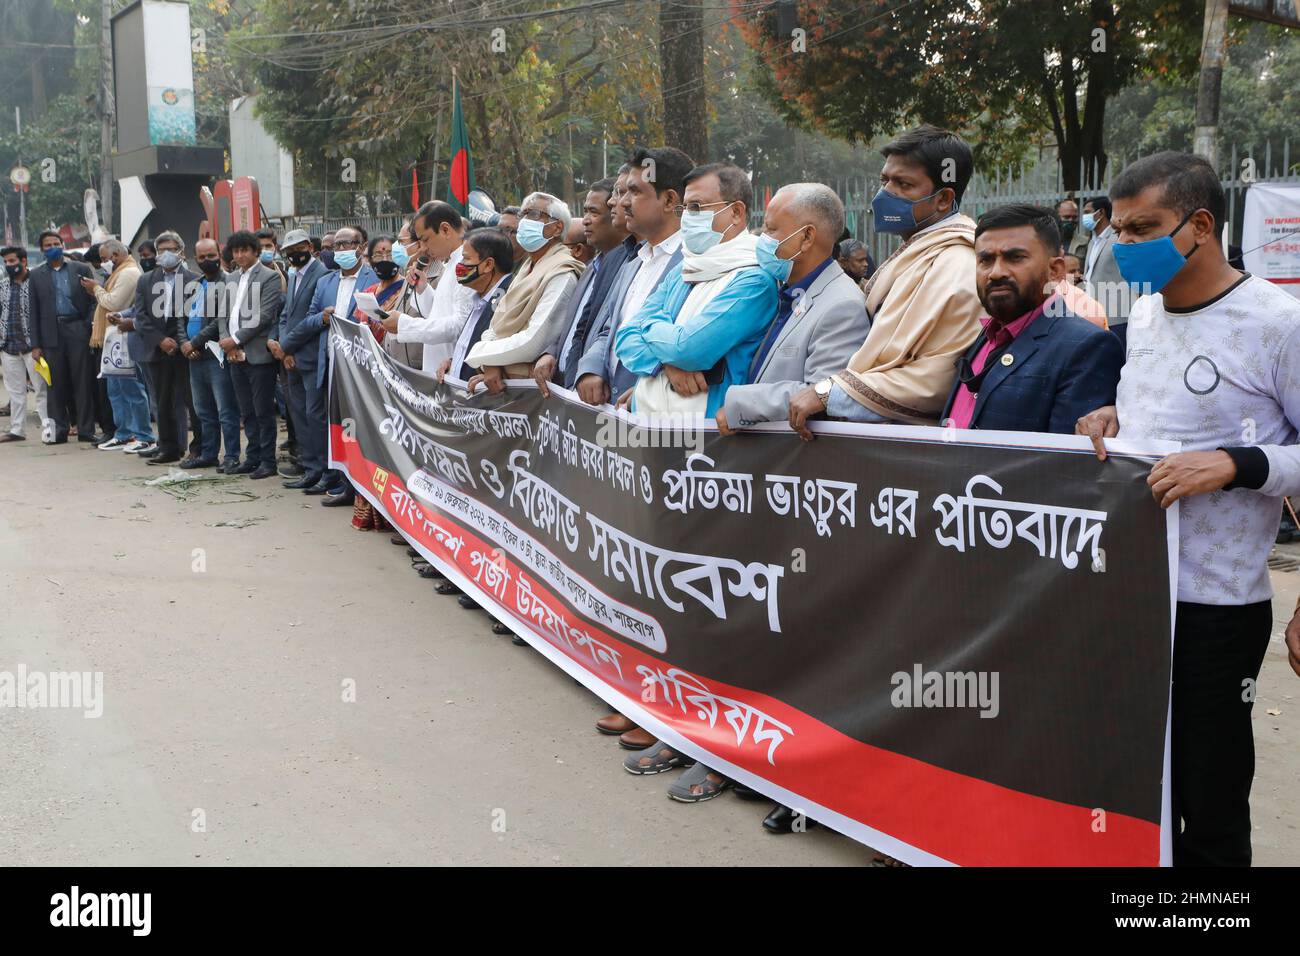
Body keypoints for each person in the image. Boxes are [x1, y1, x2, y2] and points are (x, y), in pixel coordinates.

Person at [1075, 151, 1300, 867]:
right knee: (1138, 785)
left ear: (1200, 224)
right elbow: (1159, 420)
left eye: (1145, 228)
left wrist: (1237, 464)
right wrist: (1110, 419)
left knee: (1210, 797)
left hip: (1218, 606)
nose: (1125, 245)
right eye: (1117, 228)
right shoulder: (1141, 317)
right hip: (1132, 591)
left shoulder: (1278, 324)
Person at [788, 125, 982, 437]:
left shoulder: (957, 265)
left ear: (944, 198)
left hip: (909, 449)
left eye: (903, 184)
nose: (885, 194)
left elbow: (940, 375)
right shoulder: (918, 251)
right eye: (885, 181)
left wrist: (830, 393)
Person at [614, 162, 777, 418]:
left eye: (697, 207)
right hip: (651, 429)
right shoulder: (684, 270)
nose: (687, 217)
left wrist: (647, 326)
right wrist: (664, 365)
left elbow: (688, 350)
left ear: (735, 212)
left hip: (706, 437)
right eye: (685, 208)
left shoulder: (753, 280)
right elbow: (624, 338)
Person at [940, 204, 1122, 433]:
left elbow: (1064, 462)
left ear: (1055, 270)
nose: (996, 272)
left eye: (1015, 258)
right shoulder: (987, 335)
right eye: (985, 260)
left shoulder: (1088, 347)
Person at [718, 183, 869, 436]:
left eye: (771, 228)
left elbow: (822, 392)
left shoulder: (842, 305)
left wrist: (739, 404)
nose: (762, 237)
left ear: (807, 237)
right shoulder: (790, 291)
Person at [573, 146, 692, 408]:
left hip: (660, 420)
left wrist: (647, 390)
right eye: (624, 191)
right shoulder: (633, 262)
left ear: (670, 201)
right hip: (614, 418)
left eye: (635, 192)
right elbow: (610, 329)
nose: (622, 202)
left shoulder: (695, 265)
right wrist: (592, 367)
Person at [464, 190, 584, 393]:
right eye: (524, 214)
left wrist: (482, 354)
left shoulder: (562, 273)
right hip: (504, 383)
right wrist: (489, 363)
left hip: (530, 392)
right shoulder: (526, 267)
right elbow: (496, 324)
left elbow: (534, 341)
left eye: (534, 215)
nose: (524, 221)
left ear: (557, 227)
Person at [290, 226, 375, 502]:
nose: (341, 250)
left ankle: (353, 482)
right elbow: (309, 318)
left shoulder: (372, 278)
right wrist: (323, 319)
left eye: (347, 244)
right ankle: (330, 475)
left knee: (352, 424)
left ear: (361, 247)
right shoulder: (326, 282)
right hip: (327, 362)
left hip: (358, 367)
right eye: (336, 246)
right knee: (324, 421)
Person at [533, 177, 635, 394]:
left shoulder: (630, 263)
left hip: (597, 390)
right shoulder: (590, 267)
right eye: (586, 211)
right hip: (567, 383)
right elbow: (577, 327)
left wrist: (585, 373)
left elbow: (606, 330)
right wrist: (551, 352)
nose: (586, 220)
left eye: (594, 212)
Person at [214, 229, 285, 479]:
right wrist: (228, 342)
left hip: (257, 353)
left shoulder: (269, 277)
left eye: (245, 250)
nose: (240, 255)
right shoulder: (230, 278)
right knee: (246, 410)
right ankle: (252, 457)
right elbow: (223, 314)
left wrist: (235, 339)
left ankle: (268, 461)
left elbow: (264, 316)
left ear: (256, 251)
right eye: (236, 250)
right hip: (234, 354)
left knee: (263, 410)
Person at [349, 234, 406, 532]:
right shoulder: (368, 291)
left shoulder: (408, 289)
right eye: (378, 254)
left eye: (390, 252)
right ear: (369, 259)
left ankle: (396, 517)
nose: (385, 258)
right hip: (368, 377)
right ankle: (371, 511)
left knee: (393, 446)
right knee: (370, 444)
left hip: (397, 375)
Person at [131, 230, 200, 465]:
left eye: (171, 249)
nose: (166, 254)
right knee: (162, 400)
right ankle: (169, 447)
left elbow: (199, 316)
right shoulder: (146, 279)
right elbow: (139, 317)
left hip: (187, 346)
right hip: (158, 346)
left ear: (181, 251)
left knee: (192, 401)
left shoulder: (195, 279)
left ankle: (198, 448)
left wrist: (183, 343)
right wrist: (160, 340)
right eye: (162, 250)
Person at [27, 230, 99, 444]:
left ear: (63, 244)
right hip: (51, 335)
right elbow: (33, 311)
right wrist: (36, 344)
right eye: (47, 245)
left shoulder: (80, 269)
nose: (52, 248)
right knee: (55, 385)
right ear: (42, 249)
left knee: (82, 381)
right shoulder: (36, 275)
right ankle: (59, 430)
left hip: (76, 328)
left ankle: (86, 430)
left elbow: (93, 299)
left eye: (55, 243)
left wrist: (86, 327)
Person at [272, 228, 329, 489]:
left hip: (310, 356)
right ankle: (310, 468)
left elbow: (313, 320)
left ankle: (323, 471)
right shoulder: (293, 275)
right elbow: (286, 316)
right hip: (292, 356)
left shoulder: (323, 275)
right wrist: (286, 350)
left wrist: (286, 346)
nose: (294, 254)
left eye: (298, 248)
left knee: (315, 416)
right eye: (288, 251)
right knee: (299, 417)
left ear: (309, 246)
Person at [385, 201, 469, 372]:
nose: (423, 248)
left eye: (425, 239)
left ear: (445, 230)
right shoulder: (452, 262)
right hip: (437, 370)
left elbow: (460, 325)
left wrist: (404, 325)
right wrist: (424, 290)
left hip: (452, 371)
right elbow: (440, 313)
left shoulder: (467, 263)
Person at [82, 239, 150, 450]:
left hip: (125, 337)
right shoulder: (119, 272)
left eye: (104, 259)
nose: (103, 263)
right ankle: (124, 433)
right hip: (113, 338)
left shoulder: (129, 273)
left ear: (117, 255)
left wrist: (96, 289)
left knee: (132, 390)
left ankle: (144, 435)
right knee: (116, 390)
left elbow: (114, 303)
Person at [180, 238, 241, 471]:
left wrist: (194, 342)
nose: (207, 261)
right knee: (203, 410)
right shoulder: (193, 285)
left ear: (220, 254)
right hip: (194, 358)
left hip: (217, 356)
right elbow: (180, 319)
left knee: (226, 410)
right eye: (202, 257)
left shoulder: (229, 283)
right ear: (196, 258)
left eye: (211, 256)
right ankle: (209, 453)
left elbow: (220, 320)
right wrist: (185, 343)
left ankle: (232, 456)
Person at [435, 228, 514, 384]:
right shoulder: (481, 298)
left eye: (466, 259)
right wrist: (455, 361)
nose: (460, 265)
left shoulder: (508, 296)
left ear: (488, 264)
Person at [0, 246, 50, 443]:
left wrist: (40, 344)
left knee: (41, 389)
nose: (8, 265)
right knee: (15, 392)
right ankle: (17, 430)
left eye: (12, 261)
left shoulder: (36, 282)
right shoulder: (3, 285)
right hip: (8, 346)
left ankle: (48, 428)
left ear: (23, 261)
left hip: (33, 347)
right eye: (6, 262)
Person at [1081, 195, 1130, 341]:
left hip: (1115, 316)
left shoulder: (1118, 239)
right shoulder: (1092, 242)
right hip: (1092, 314)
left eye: (1087, 212)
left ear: (1100, 213)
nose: (1084, 217)